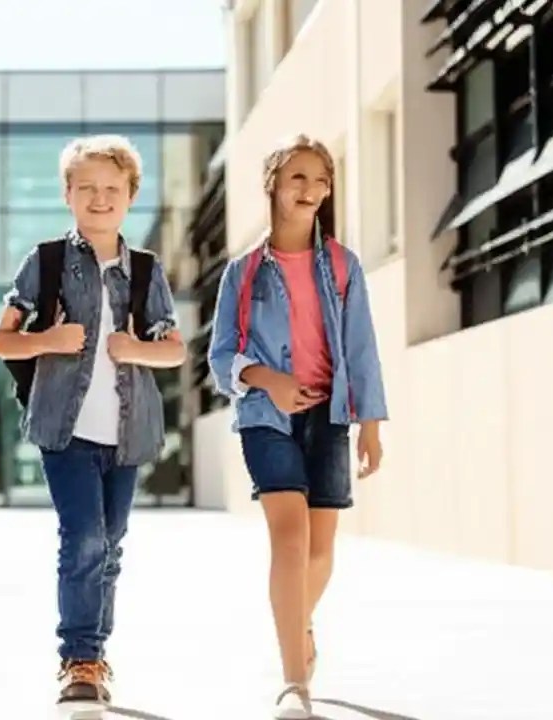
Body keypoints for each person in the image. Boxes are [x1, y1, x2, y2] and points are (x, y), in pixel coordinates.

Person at [0, 135, 185, 711]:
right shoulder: (45, 261)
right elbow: (4, 340)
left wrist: (133, 348)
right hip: (64, 429)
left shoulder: (146, 271)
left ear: (130, 198)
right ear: (67, 194)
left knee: (111, 544)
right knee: (84, 538)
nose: (100, 199)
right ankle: (79, 657)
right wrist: (48, 339)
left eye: (112, 190)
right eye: (88, 188)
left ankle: (94, 652)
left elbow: (173, 349)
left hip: (127, 434)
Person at [207, 134, 388, 720]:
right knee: (290, 540)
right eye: (297, 179)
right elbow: (219, 357)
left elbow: (361, 348)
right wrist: (268, 380)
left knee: (321, 552)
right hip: (266, 417)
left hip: (329, 417)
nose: (309, 190)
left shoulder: (343, 265)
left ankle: (298, 623)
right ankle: (293, 683)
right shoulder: (243, 272)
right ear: (274, 189)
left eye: (319, 180)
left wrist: (371, 424)